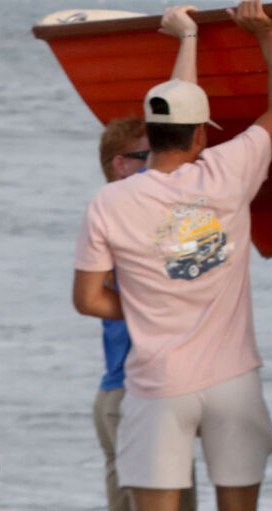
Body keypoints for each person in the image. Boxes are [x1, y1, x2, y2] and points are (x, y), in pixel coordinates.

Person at [72, 0, 272, 511]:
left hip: (158, 385)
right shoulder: (227, 170)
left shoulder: (109, 201)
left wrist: (146, 302)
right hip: (233, 379)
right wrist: (266, 33)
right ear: (201, 134)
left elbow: (88, 300)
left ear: (148, 135)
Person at [91, 104, 199, 511]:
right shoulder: (125, 219)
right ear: (121, 165)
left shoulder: (105, 217)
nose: (160, 164)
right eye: (147, 155)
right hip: (137, 395)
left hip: (116, 394)